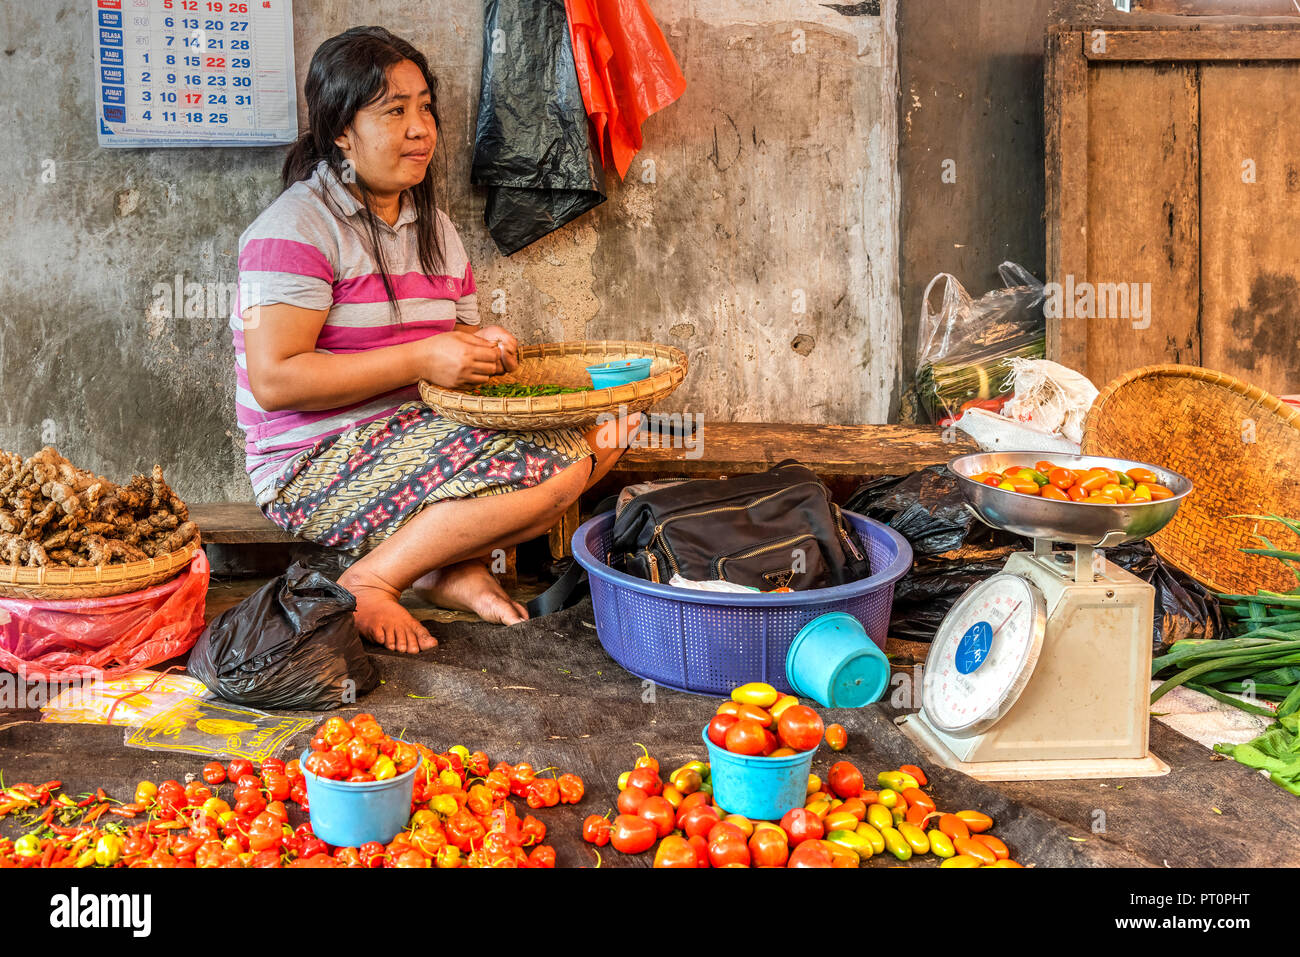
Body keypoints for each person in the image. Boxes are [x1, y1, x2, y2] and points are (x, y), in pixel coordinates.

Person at [232, 26, 636, 653]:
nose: (420, 128)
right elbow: (276, 379)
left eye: (425, 107)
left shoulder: (435, 227)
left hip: (419, 437)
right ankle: (371, 579)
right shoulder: (295, 227)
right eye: (395, 111)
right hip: (312, 463)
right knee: (557, 469)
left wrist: (483, 344)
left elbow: (451, 337)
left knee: (607, 434)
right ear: (342, 130)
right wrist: (425, 356)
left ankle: (443, 569)